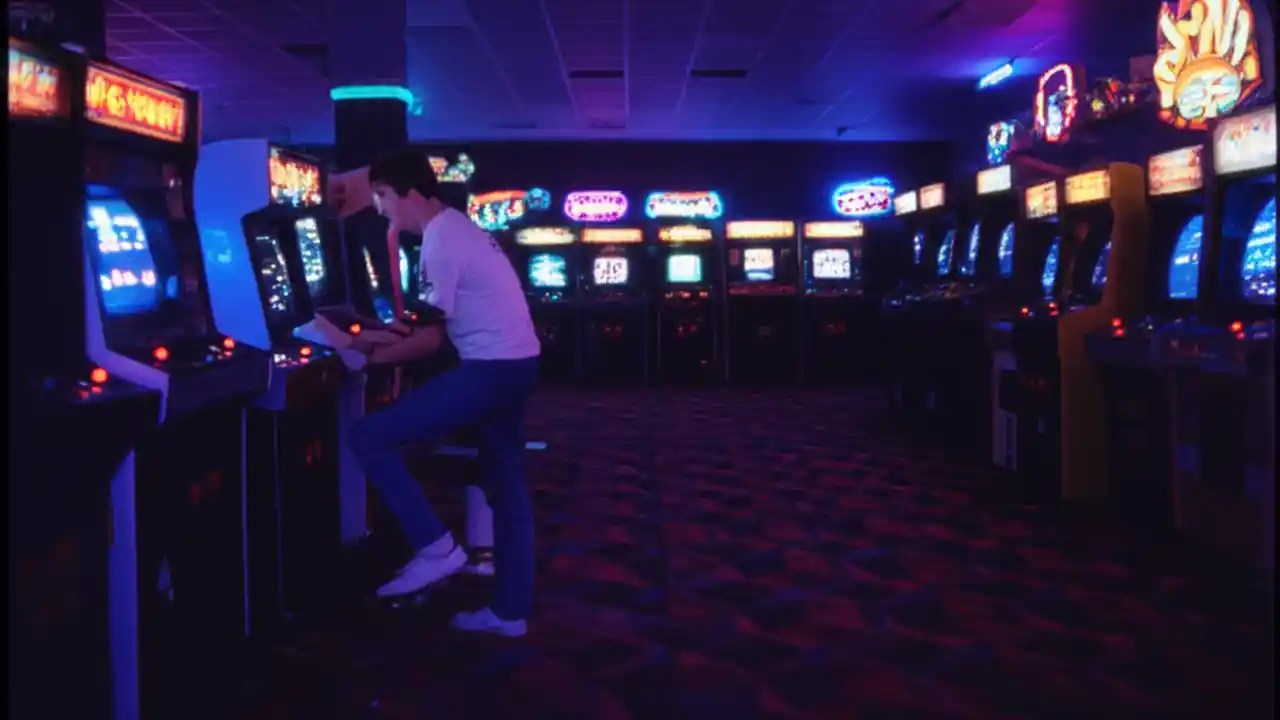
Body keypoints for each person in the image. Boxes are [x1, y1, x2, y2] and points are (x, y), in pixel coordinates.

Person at [346, 149, 541, 638]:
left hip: (492, 369)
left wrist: (360, 353)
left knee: (370, 437)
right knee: (507, 486)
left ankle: (435, 548)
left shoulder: (440, 239)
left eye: (384, 197)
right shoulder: (456, 226)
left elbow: (429, 339)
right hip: (519, 363)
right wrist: (376, 337)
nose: (381, 208)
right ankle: (510, 612)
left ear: (409, 193)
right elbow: (426, 323)